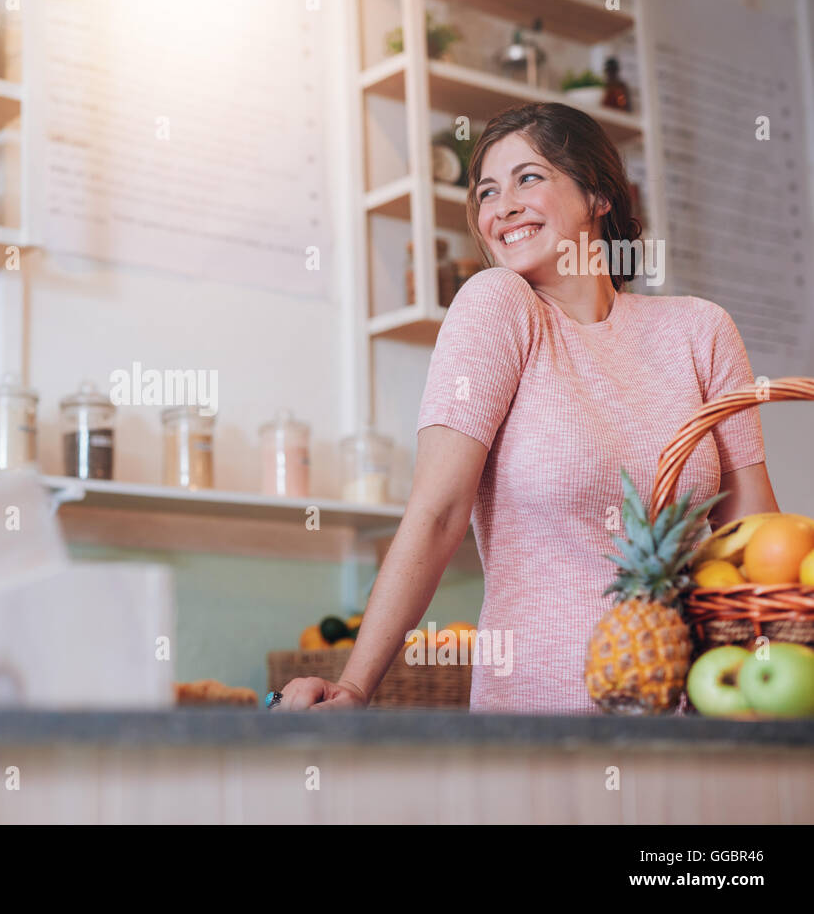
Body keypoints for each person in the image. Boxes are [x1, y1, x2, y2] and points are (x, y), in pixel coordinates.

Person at [279, 102, 777, 714]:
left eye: (529, 178)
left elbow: (753, 539)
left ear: (598, 194)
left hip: (703, 705)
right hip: (543, 715)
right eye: (487, 191)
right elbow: (437, 511)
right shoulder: (498, 305)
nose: (502, 206)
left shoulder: (701, 331)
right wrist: (356, 686)